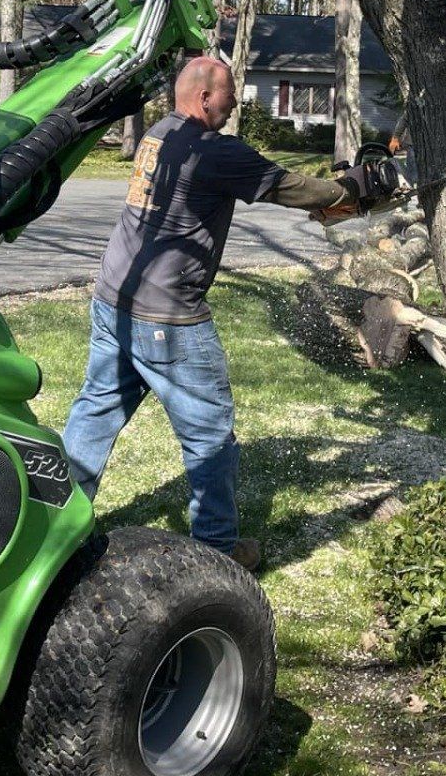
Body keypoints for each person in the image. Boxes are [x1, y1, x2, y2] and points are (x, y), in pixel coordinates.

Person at [61, 56, 396, 572]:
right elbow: (289, 188)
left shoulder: (160, 134)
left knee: (95, 413)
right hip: (167, 319)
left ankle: (54, 526)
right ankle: (218, 549)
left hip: (115, 301)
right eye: (230, 93)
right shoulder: (211, 150)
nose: (237, 101)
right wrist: (351, 188)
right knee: (209, 435)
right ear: (203, 98)